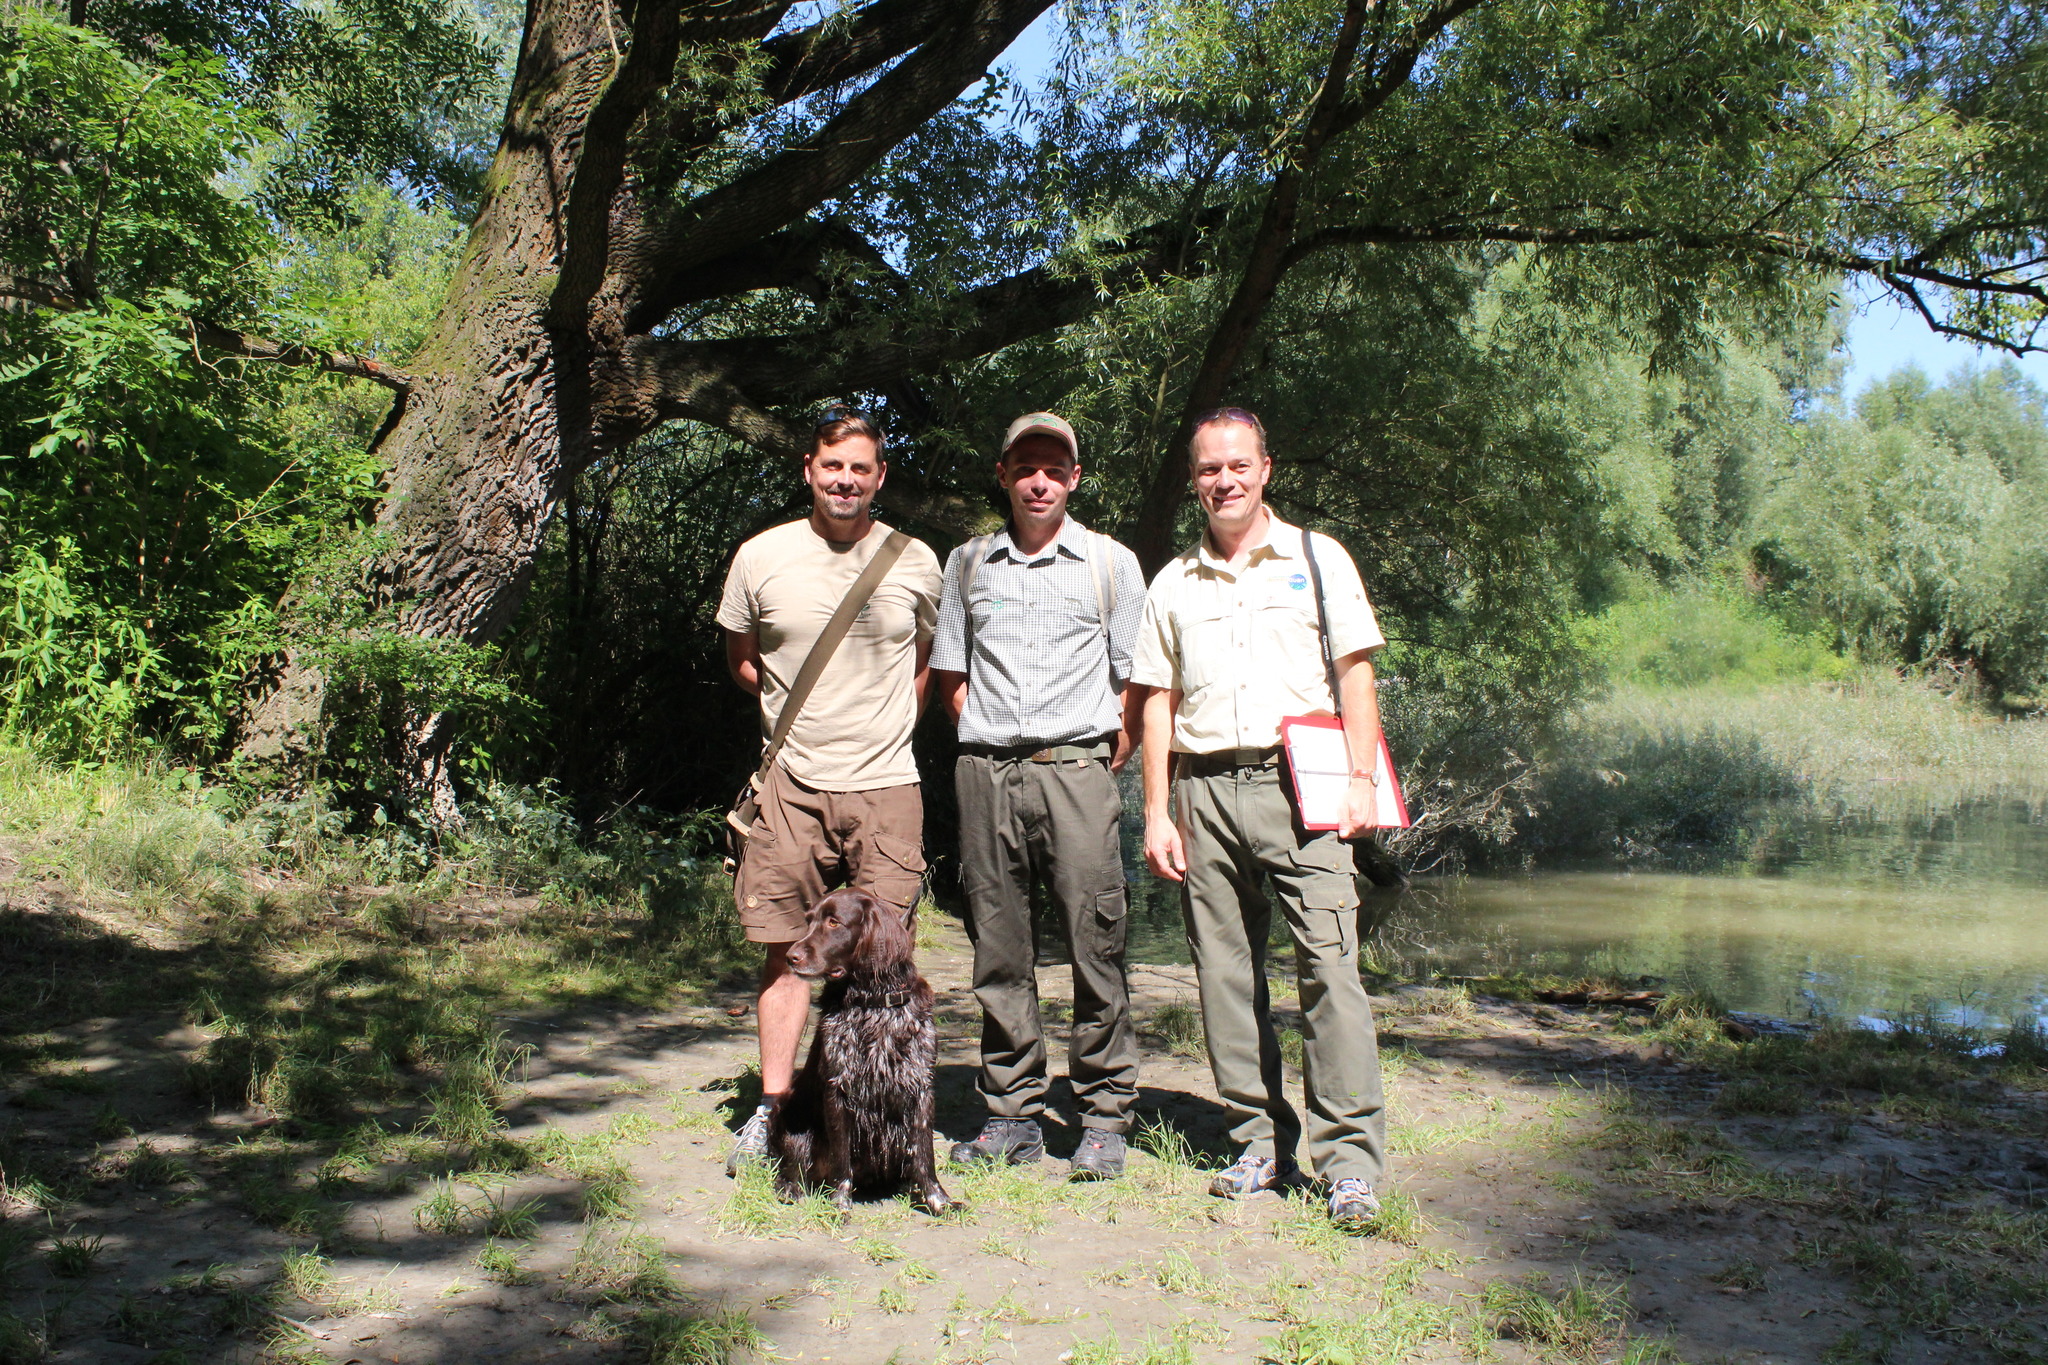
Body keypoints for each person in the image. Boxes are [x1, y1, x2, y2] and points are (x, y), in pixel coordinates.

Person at [1129, 405, 1391, 1227]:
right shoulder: (1171, 581)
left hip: (1302, 791)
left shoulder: (1318, 558)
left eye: (1238, 464)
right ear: (1194, 480)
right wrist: (1155, 811)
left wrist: (1360, 780)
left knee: (1331, 971)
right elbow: (1156, 703)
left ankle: (1348, 1162)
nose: (1224, 479)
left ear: (1265, 468)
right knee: (1226, 976)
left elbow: (1356, 675)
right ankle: (1255, 1143)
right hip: (1202, 794)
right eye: (1209, 468)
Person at [716, 408, 944, 1175]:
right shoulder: (760, 555)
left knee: (885, 961)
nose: (845, 480)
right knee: (788, 954)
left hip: (887, 787)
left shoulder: (915, 560)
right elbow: (744, 660)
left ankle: (889, 1110)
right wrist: (797, 725)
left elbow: (924, 665)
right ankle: (776, 1109)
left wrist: (885, 732)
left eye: (861, 468)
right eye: (831, 466)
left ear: (880, 476)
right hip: (789, 784)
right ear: (809, 469)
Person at [931, 412, 1147, 1180]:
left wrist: (1092, 761)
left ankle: (1104, 1117)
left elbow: (1136, 686)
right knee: (999, 948)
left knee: (1098, 946)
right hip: (985, 774)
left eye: (1054, 467)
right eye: (1026, 465)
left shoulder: (1111, 565)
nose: (1040, 480)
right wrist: (995, 742)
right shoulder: (964, 565)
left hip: (1079, 772)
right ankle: (1011, 1112)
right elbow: (950, 680)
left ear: (1075, 478)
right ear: (1004, 473)